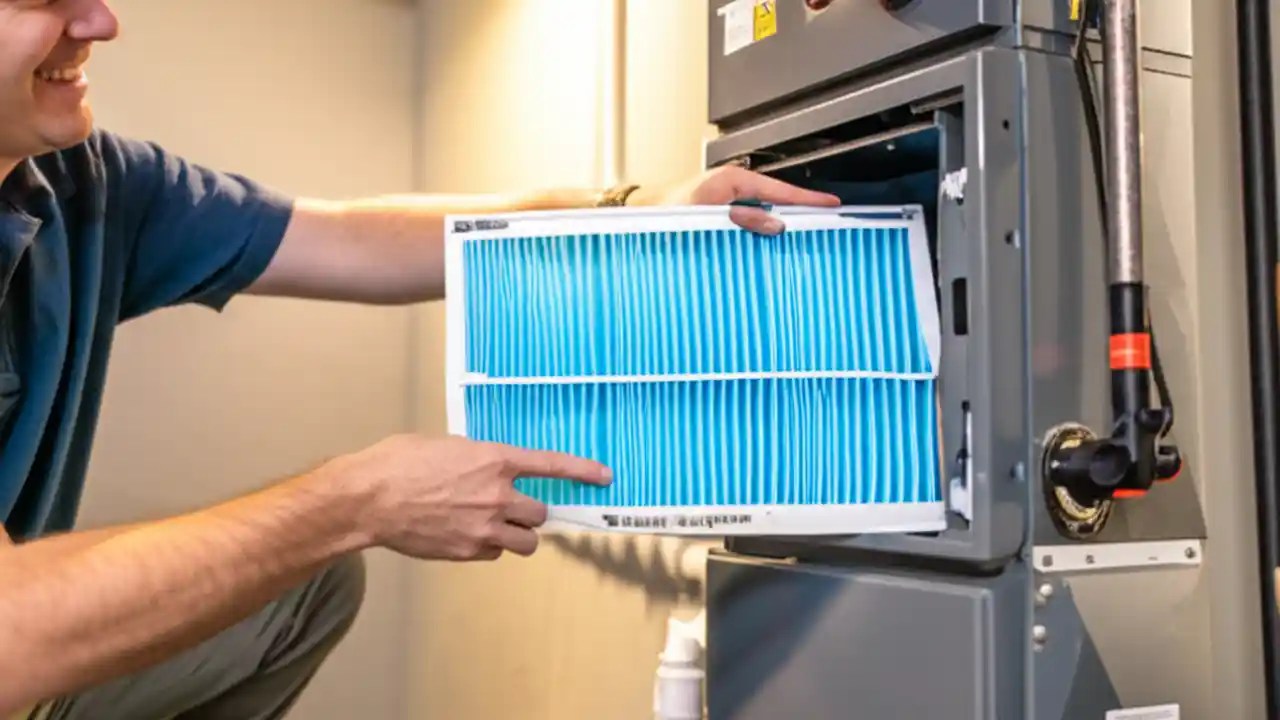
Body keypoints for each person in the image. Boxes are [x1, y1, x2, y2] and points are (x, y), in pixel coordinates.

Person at [0, 1, 839, 718]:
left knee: (301, 586)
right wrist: (352, 500)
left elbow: (354, 238)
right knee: (306, 539)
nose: (101, 22)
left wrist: (635, 214)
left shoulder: (83, 183)